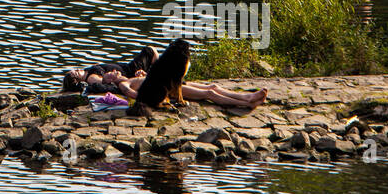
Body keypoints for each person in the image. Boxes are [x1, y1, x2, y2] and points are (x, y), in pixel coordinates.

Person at [64, 64, 266, 109]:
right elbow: (134, 94)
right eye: (111, 74)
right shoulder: (123, 84)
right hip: (165, 88)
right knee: (208, 93)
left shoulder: (126, 78)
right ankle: (247, 101)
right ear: (109, 81)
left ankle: (247, 96)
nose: (114, 71)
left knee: (211, 85)